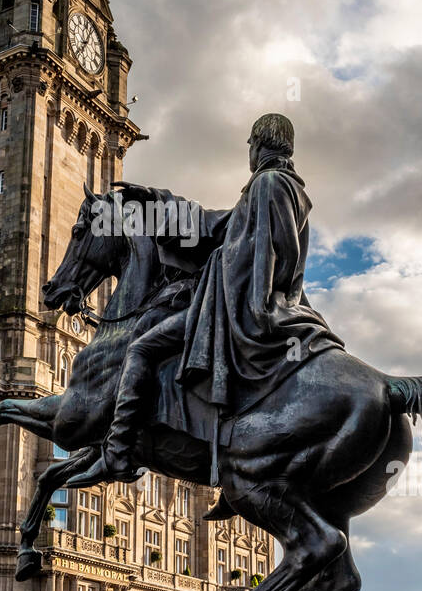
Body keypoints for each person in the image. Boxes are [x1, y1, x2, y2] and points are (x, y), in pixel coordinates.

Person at [68, 113, 343, 487]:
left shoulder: (268, 184)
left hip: (237, 304)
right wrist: (157, 202)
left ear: (260, 143)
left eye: (249, 143)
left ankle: (116, 451)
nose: (248, 150)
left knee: (142, 349)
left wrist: (257, 305)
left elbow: (260, 250)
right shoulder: (287, 188)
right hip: (253, 299)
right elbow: (219, 225)